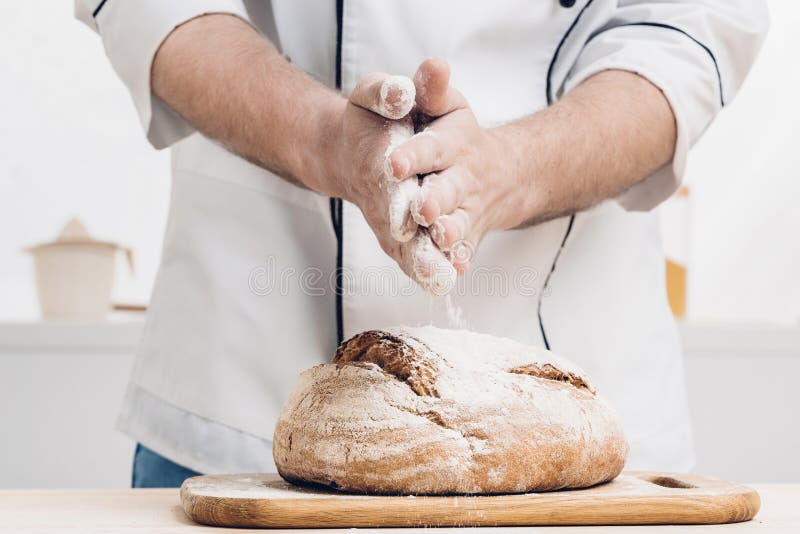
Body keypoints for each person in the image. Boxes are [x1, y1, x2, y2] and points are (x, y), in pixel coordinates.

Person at [75, 1, 768, 487]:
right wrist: (320, 140)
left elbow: (687, 29)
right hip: (237, 407)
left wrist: (505, 170)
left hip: (573, 432)